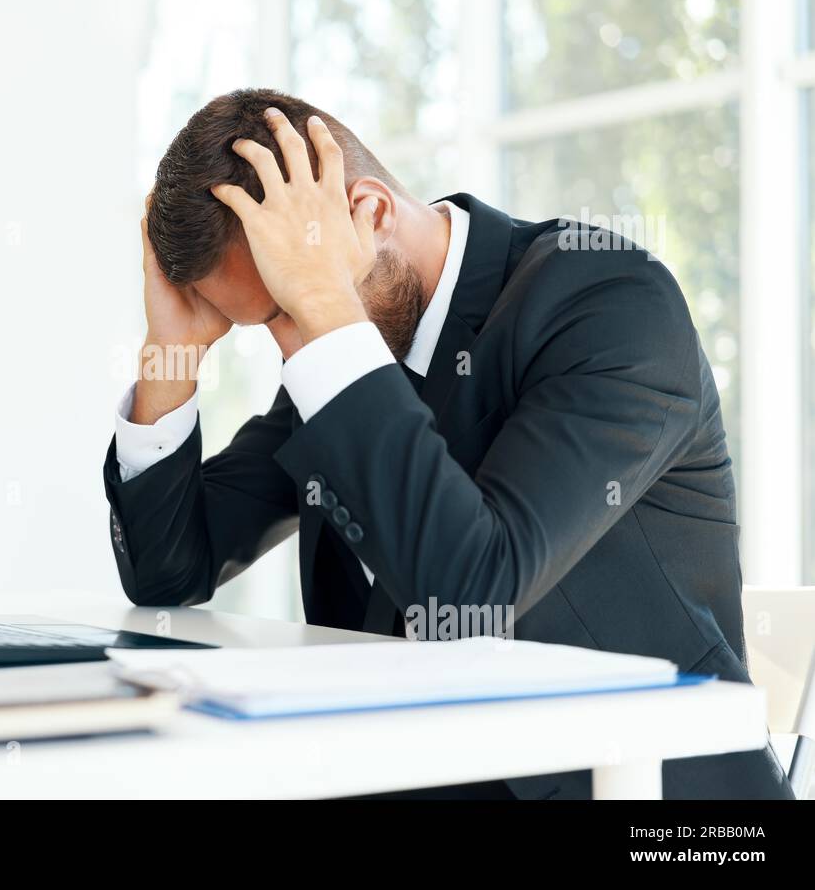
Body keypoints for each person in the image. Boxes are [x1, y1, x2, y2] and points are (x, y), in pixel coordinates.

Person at [101, 88, 791, 799]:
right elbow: (169, 577)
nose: (288, 346)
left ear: (367, 213)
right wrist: (171, 353)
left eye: (283, 307)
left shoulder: (610, 304)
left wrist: (323, 308)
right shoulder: (335, 350)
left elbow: (472, 591)